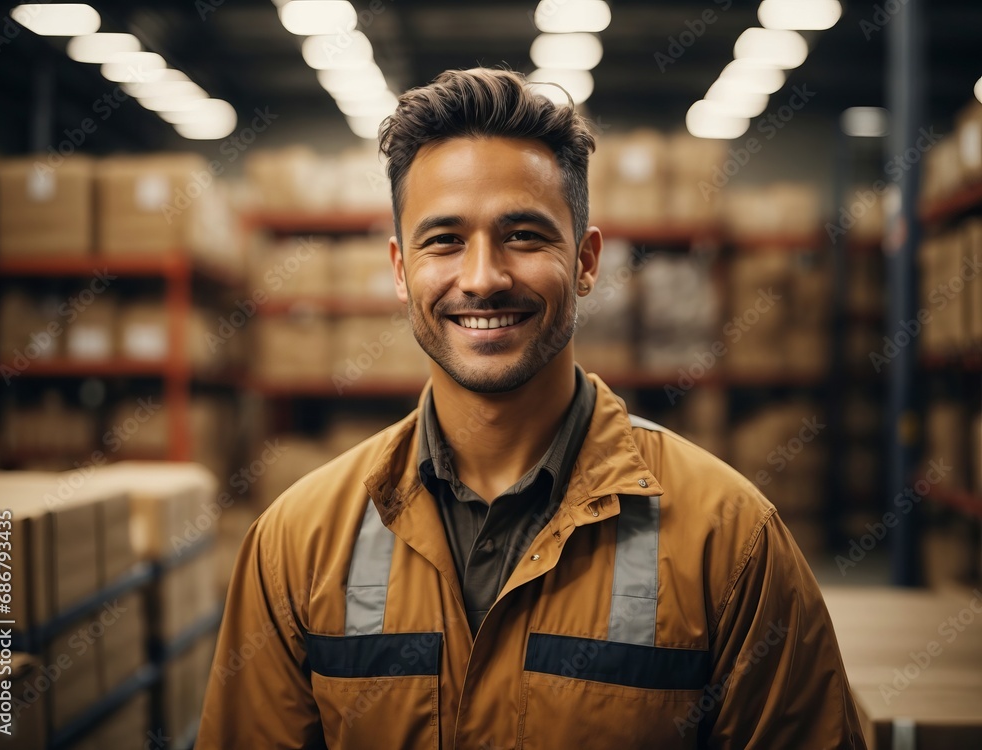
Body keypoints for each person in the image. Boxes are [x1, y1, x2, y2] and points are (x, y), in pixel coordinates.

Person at [197, 68, 866, 749]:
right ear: (401, 270)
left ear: (585, 261)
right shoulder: (295, 546)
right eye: (444, 240)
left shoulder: (732, 542)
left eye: (523, 235)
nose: (483, 277)